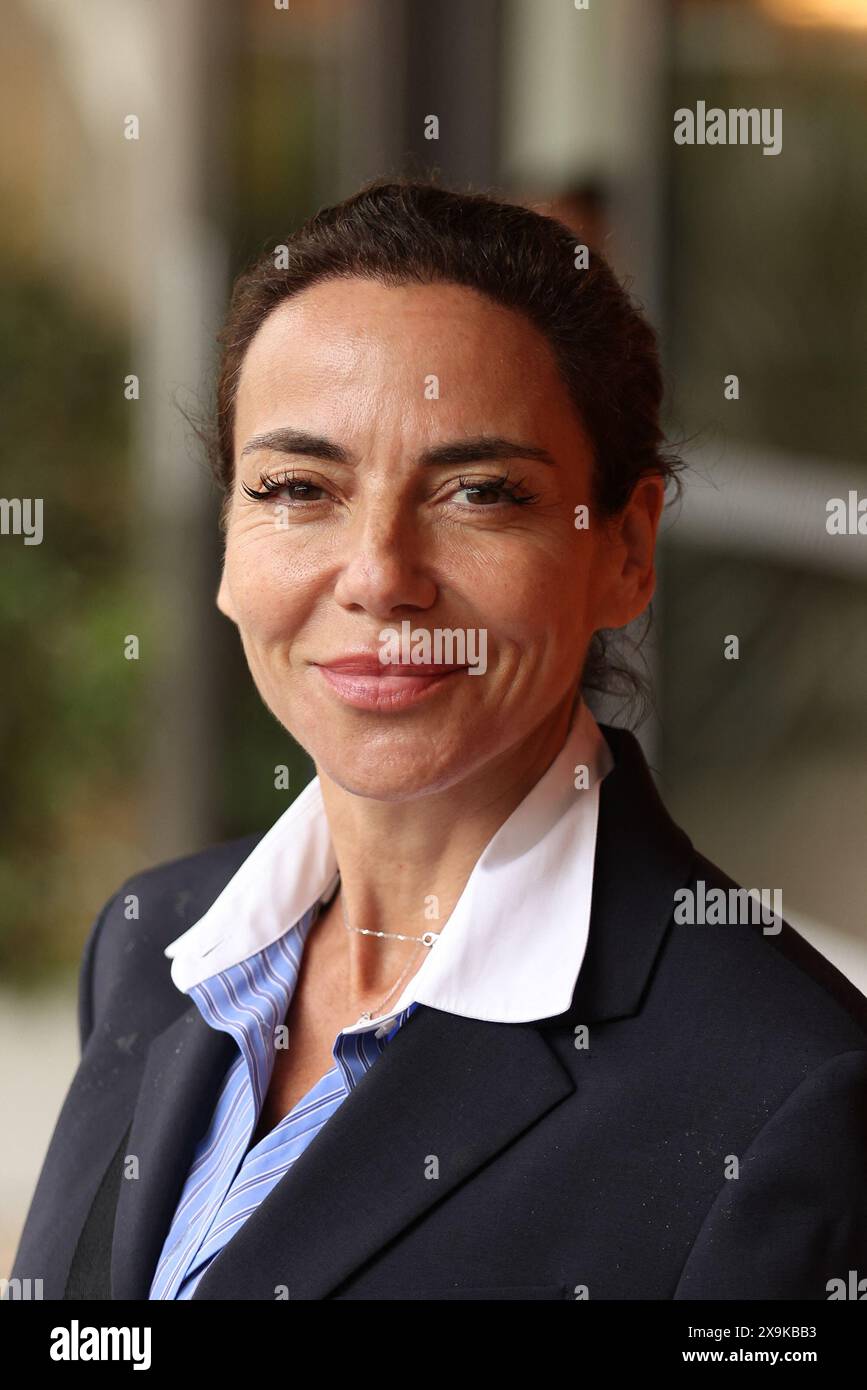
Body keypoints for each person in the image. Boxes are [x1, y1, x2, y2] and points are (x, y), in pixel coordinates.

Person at [11, 179, 867, 1301]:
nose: (378, 576)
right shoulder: (152, 946)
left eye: (479, 493)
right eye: (297, 486)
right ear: (229, 537)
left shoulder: (788, 1098)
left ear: (627, 550)